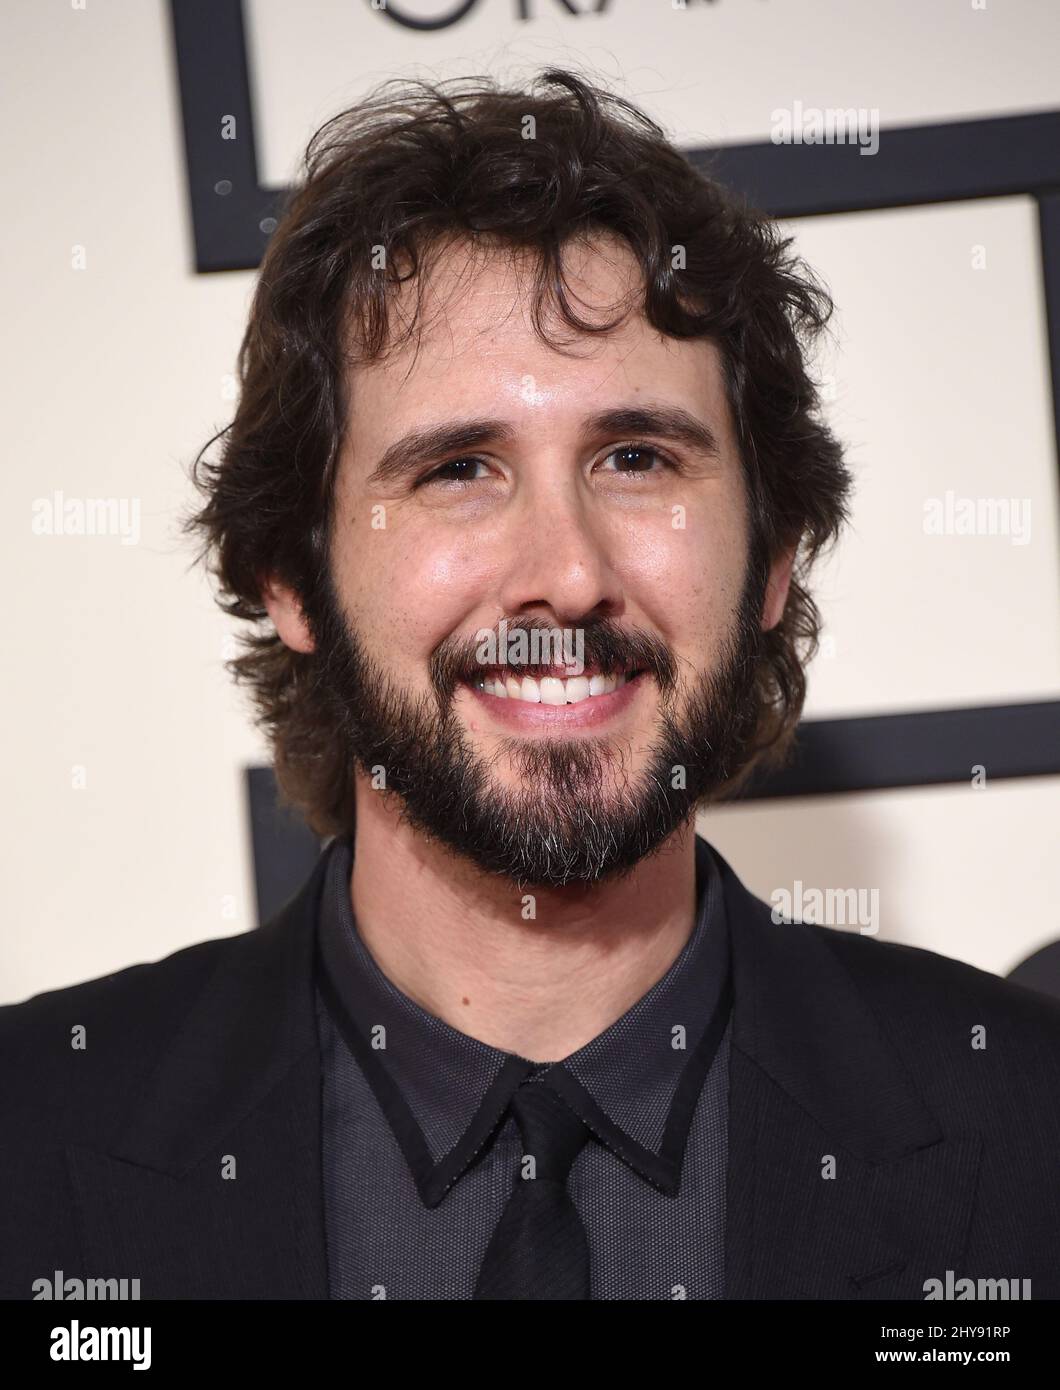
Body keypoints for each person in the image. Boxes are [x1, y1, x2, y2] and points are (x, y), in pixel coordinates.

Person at [3, 68, 1058, 1302]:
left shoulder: (1029, 1133)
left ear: (772, 559)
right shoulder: (32, 1146)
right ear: (289, 576)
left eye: (634, 456)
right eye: (457, 468)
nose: (564, 574)